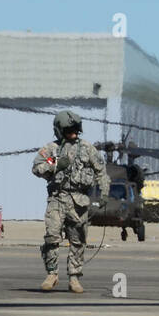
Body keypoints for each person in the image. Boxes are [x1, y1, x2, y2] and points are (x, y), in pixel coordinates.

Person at [32, 111, 109, 293]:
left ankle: (74, 277)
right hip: (57, 199)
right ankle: (52, 274)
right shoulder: (53, 150)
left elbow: (101, 172)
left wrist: (104, 193)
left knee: (78, 240)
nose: (72, 133)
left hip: (79, 201)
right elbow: (37, 168)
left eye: (75, 130)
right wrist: (56, 165)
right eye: (68, 130)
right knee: (52, 237)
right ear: (60, 131)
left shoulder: (88, 149)